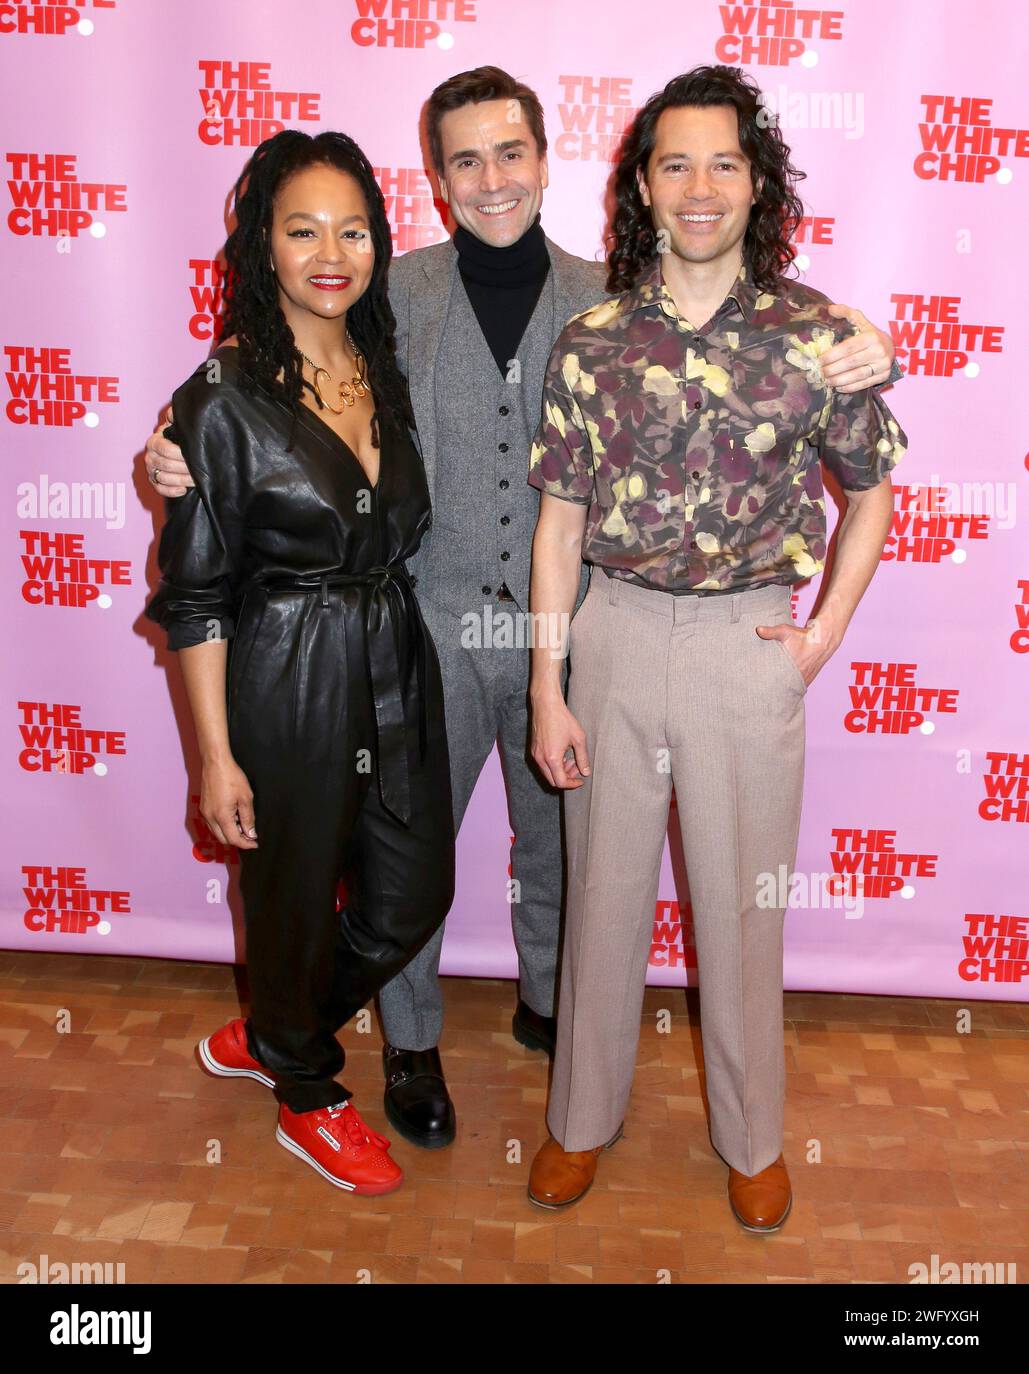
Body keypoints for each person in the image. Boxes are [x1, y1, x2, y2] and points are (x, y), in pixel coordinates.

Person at [144, 66, 899, 1152]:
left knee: (566, 846)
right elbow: (271, 371)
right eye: (465, 159)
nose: (491, 178)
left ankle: (552, 1008)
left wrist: (870, 335)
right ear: (438, 177)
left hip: (576, 625)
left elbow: (756, 325)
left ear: (548, 162)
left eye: (511, 153)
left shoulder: (608, 296)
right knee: (408, 857)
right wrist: (178, 446)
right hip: (430, 629)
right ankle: (407, 1043)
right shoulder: (391, 287)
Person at [524, 65, 908, 1230]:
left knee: (745, 907)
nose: (700, 187)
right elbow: (558, 524)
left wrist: (821, 637)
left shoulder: (819, 338)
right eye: (675, 163)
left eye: (724, 163)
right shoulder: (591, 340)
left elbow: (875, 488)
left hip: (751, 644)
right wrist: (547, 681)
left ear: (758, 181)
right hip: (620, 635)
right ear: (644, 183)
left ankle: (751, 1137)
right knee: (603, 904)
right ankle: (577, 1123)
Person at [144, 130, 455, 1195]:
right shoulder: (219, 399)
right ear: (262, 245)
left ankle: (277, 1023)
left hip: (392, 656)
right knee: (286, 894)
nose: (333, 252)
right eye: (303, 229)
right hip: (285, 673)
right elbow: (192, 598)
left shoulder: (384, 363)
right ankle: (308, 1091)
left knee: (415, 894)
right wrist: (215, 759)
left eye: (355, 229)